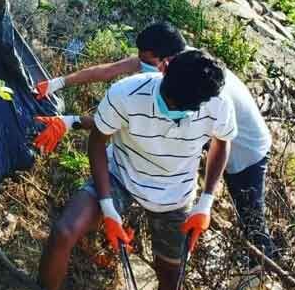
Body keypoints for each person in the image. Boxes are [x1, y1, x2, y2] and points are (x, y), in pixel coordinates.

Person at [1, 49, 237, 290]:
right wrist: (108, 208)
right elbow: (98, 142)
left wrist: (205, 203)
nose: (172, 113)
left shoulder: (216, 102)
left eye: (182, 111)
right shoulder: (127, 93)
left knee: (172, 274)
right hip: (120, 176)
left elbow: (222, 143)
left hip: (175, 194)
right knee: (64, 232)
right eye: (168, 103)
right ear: (164, 67)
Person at [33, 22, 279, 261]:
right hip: (212, 133)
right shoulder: (179, 63)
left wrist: (205, 203)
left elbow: (138, 125)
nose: (142, 67)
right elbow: (110, 72)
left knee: (251, 218)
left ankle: (261, 262)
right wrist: (56, 84)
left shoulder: (197, 87)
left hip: (248, 150)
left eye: (148, 62)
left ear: (166, 63)